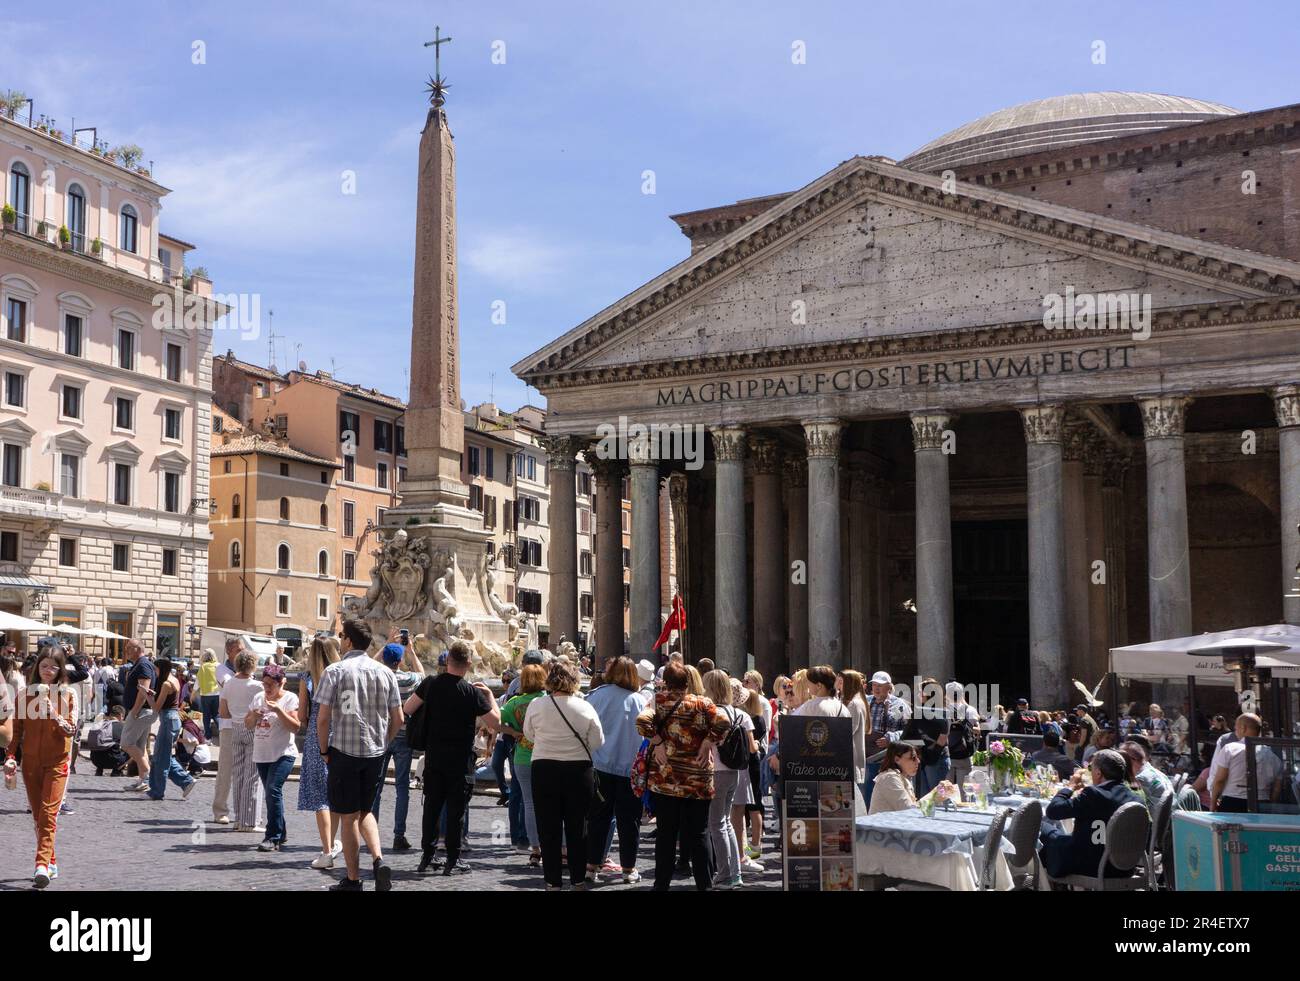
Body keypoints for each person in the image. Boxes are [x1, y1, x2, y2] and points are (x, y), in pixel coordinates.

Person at [316, 617, 402, 892]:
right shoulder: (386, 673)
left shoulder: (336, 671)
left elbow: (323, 719)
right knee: (366, 810)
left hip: (344, 751)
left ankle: (353, 879)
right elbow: (398, 718)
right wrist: (384, 742)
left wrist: (323, 750)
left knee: (349, 815)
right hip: (375, 753)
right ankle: (378, 860)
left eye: (342, 636)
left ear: (349, 640)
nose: (340, 640)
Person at [636, 660, 733, 891]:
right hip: (698, 781)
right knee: (699, 834)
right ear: (688, 682)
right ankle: (704, 885)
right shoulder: (703, 703)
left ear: (666, 683)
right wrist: (708, 741)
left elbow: (641, 720)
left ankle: (661, 885)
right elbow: (725, 722)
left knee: (667, 835)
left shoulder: (659, 702)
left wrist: (657, 742)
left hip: (666, 781)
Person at [404, 638, 497, 878]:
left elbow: (407, 708)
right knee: (456, 812)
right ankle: (452, 860)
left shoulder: (430, 684)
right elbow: (496, 723)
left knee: (432, 808)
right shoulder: (471, 692)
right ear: (467, 664)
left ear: (447, 661)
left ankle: (427, 856)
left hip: (434, 757)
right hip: (460, 761)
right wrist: (491, 697)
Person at [525, 660, 604, 890]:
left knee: (548, 828)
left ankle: (552, 881)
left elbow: (529, 735)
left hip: (544, 768)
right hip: (578, 771)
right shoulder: (585, 706)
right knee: (578, 828)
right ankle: (578, 879)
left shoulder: (537, 705)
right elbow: (599, 741)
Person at [3, 647, 78, 888]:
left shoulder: (69, 694)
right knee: (38, 816)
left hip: (58, 762)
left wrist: (53, 712)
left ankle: (41, 865)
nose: (48, 671)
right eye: (44, 666)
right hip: (31, 763)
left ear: (60, 670)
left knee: (48, 814)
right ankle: (51, 860)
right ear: (38, 667)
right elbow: (17, 731)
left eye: (54, 667)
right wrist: (11, 756)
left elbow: (71, 730)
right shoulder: (24, 694)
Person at [584, 656, 647, 883]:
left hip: (600, 767)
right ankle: (628, 869)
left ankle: (591, 866)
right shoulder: (639, 701)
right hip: (630, 770)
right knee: (629, 821)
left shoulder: (595, 696)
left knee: (598, 818)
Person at [1039, 749, 1141, 879]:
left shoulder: (1094, 794)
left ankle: (1039, 882)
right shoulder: (1136, 799)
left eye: (1090, 767)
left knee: (1042, 826)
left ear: (1098, 773)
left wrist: (1069, 787)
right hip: (1124, 869)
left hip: (1091, 866)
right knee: (1060, 835)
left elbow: (1053, 811)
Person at [701, 669, 752, 890]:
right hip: (734, 771)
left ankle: (724, 875)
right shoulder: (736, 712)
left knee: (716, 824)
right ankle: (735, 871)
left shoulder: (711, 713)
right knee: (726, 822)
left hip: (716, 771)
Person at [371, 641, 423, 852]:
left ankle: (370, 831)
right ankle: (398, 835)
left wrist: (383, 645)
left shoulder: (376, 676)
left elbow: (367, 665)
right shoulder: (409, 679)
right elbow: (423, 675)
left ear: (384, 658)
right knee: (402, 788)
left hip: (380, 736)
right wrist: (411, 650)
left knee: (375, 787)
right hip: (403, 736)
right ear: (400, 661)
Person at [245, 662, 300, 852]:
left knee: (272, 791)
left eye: (271, 685)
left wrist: (278, 710)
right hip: (262, 754)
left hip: (283, 753)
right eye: (264, 684)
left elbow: (295, 726)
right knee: (273, 793)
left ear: (281, 683)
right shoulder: (258, 697)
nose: (266, 688)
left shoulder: (290, 698)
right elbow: (248, 724)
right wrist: (254, 715)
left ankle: (272, 836)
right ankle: (281, 831)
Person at [298, 634, 341, 869]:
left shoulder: (308, 678)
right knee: (334, 794)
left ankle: (326, 850)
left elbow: (301, 715)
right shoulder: (340, 675)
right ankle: (332, 843)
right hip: (341, 735)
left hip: (317, 737)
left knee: (320, 798)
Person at [499, 662, 547, 867]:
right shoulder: (548, 701)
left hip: (523, 756)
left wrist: (513, 732)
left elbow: (494, 721)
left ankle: (535, 850)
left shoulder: (514, 703)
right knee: (549, 804)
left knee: (529, 804)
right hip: (547, 755)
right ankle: (551, 846)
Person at [220, 650, 264, 830]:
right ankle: (249, 820)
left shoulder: (228, 684)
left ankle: (238, 818)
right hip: (253, 729)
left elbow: (223, 712)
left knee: (237, 774)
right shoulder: (257, 686)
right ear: (253, 665)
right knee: (252, 776)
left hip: (235, 728)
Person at [144, 657, 198, 801]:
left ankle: (158, 791)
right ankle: (186, 781)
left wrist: (146, 695)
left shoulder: (166, 684)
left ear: (160, 668)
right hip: (173, 719)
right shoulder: (174, 680)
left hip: (168, 719)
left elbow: (156, 707)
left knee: (160, 758)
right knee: (163, 756)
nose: (154, 672)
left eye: (155, 669)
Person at [1210, 713, 1283, 812]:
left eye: (1236, 728)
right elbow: (1277, 789)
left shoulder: (1229, 750)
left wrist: (1213, 803)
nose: (1235, 732)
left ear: (1243, 728)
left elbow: (1219, 780)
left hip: (1232, 802)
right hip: (1262, 804)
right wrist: (1271, 804)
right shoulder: (1274, 757)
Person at [863, 671, 911, 809]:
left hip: (886, 755)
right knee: (867, 792)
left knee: (884, 793)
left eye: (881, 685)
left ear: (889, 687)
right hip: (866, 754)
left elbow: (908, 731)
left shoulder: (899, 704)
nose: (877, 688)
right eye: (875, 685)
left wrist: (891, 738)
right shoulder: (865, 701)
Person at [868, 742, 956, 814]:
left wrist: (938, 796)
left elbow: (914, 807)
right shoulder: (889, 778)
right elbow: (908, 810)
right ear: (897, 760)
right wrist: (934, 795)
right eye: (913, 758)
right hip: (883, 833)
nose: (918, 761)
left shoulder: (903, 778)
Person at [211, 636, 242, 824]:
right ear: (229, 651)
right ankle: (220, 810)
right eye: (239, 650)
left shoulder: (246, 670)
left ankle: (244, 810)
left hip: (245, 723)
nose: (243, 653)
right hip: (229, 725)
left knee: (246, 770)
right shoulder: (221, 669)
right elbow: (230, 686)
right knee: (226, 768)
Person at [119, 639, 156, 791]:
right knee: (140, 747)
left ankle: (148, 775)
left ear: (138, 648)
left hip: (140, 711)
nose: (126, 650)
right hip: (141, 711)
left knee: (126, 743)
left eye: (129, 647)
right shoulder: (139, 664)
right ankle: (143, 781)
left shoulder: (143, 665)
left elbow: (144, 690)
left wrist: (134, 710)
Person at [903, 677, 949, 797]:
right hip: (922, 758)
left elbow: (942, 738)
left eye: (920, 691)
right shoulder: (918, 713)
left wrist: (930, 756)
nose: (918, 694)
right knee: (922, 797)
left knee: (936, 798)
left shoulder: (942, 713)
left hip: (936, 759)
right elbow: (909, 734)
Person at [944, 682, 982, 795]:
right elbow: (978, 731)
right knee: (964, 791)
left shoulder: (941, 709)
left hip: (946, 753)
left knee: (945, 791)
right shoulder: (969, 709)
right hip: (964, 753)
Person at [838, 670, 869, 808]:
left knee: (854, 803)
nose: (839, 684)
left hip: (851, 756)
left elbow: (847, 730)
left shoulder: (855, 704)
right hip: (852, 756)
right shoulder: (856, 701)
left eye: (842, 681)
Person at [1118, 740, 1173, 812]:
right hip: (1167, 818)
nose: (1118, 762)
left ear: (1131, 759)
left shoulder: (1140, 779)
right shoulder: (1152, 771)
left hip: (1153, 820)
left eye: (1120, 758)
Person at [85, 705, 129, 776]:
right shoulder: (121, 726)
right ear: (121, 715)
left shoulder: (99, 724)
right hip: (113, 760)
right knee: (130, 749)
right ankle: (116, 771)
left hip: (95, 760)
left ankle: (99, 769)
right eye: (123, 717)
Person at [197, 649, 221, 740]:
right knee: (216, 715)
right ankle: (222, 733)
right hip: (217, 694)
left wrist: (192, 694)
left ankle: (208, 737)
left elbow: (197, 682)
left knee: (206, 716)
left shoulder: (203, 667)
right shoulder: (218, 666)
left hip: (205, 695)